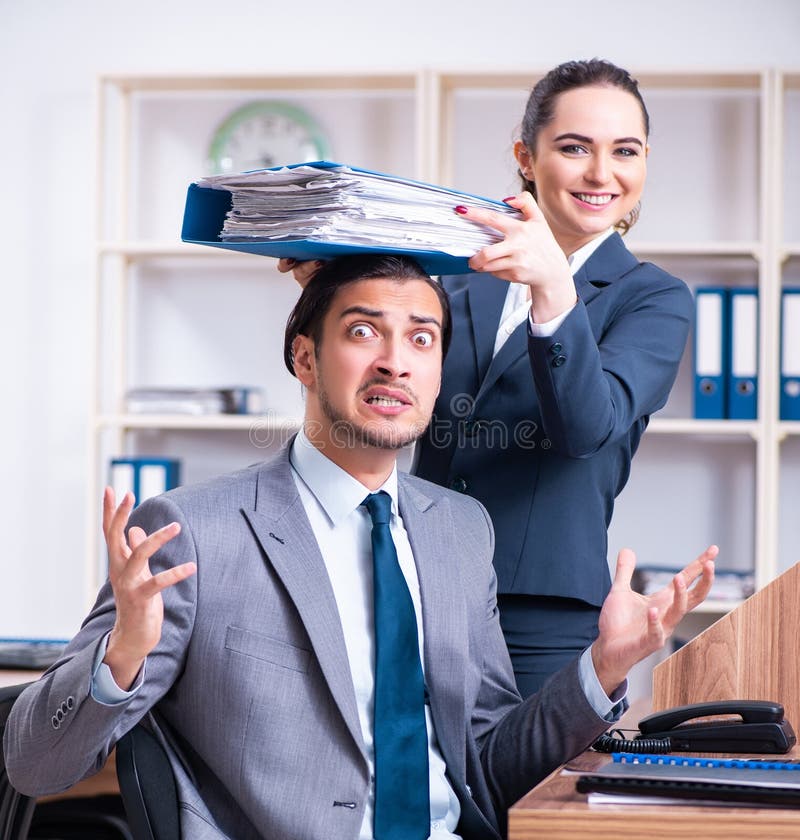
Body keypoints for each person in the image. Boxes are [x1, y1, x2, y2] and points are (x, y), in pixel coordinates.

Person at [4, 254, 715, 840]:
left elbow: (491, 765)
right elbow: (35, 764)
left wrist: (603, 667)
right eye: (364, 332)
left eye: (421, 339)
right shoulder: (195, 532)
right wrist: (123, 653)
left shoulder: (460, 531)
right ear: (305, 359)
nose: (395, 363)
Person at [280, 58, 694, 698]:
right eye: (574, 147)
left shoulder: (652, 298)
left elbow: (588, 428)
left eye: (625, 152)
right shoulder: (456, 277)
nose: (601, 173)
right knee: (420, 786)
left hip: (544, 613)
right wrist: (331, 291)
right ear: (526, 157)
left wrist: (555, 287)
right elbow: (396, 391)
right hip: (418, 581)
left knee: (523, 793)